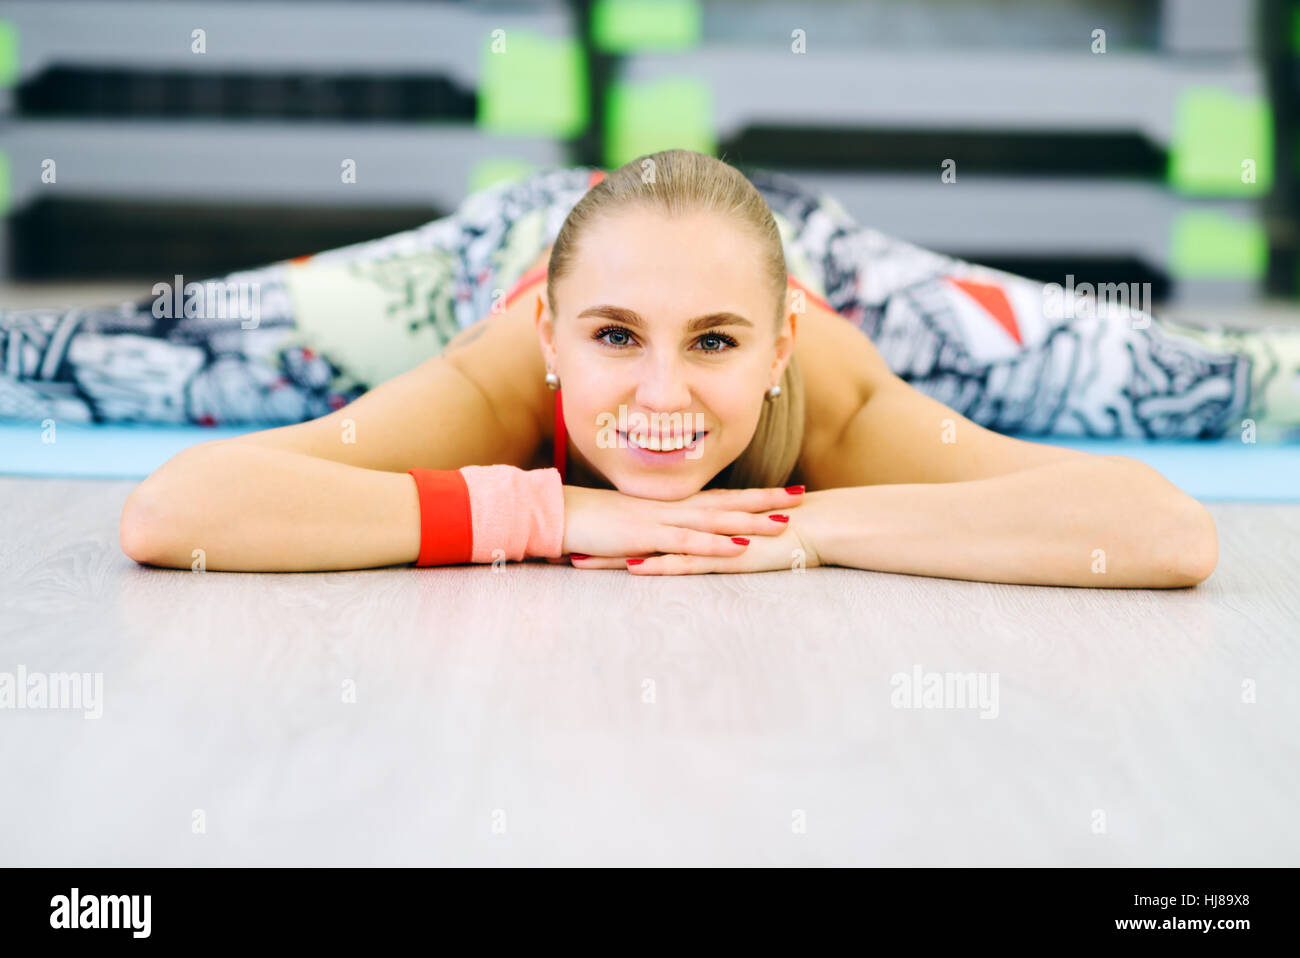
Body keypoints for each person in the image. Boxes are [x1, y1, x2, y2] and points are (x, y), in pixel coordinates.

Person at [8, 150, 1285, 583]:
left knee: (1216, 384)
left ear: (778, 343)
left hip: (798, 242)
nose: (661, 400)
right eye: (615, 343)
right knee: (99, 360)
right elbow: (175, 509)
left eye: (717, 350)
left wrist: (805, 529)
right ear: (554, 343)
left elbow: (1162, 532)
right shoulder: (496, 369)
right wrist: (557, 511)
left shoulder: (829, 381)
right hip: (519, 244)